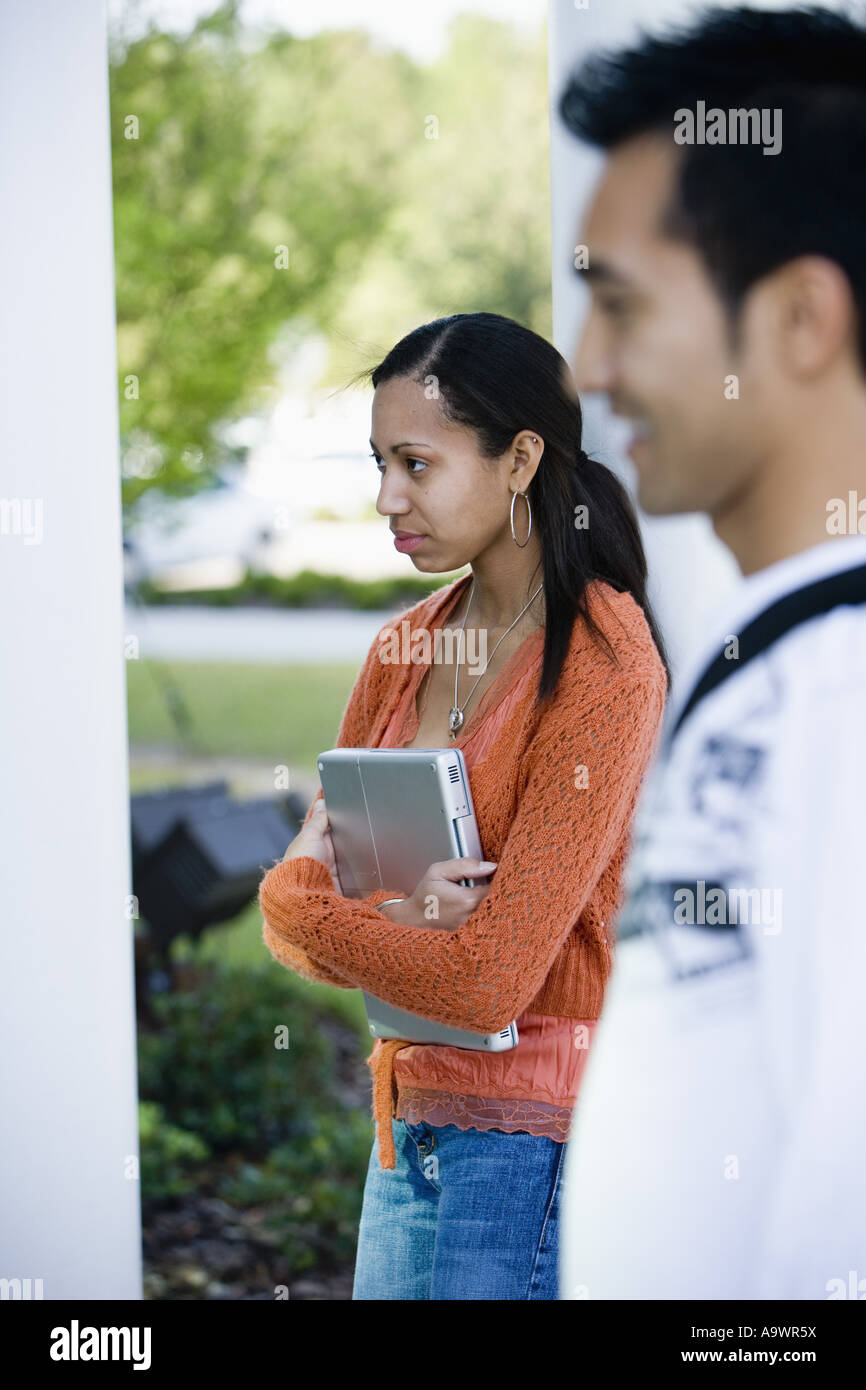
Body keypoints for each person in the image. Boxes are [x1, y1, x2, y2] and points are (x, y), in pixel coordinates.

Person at [258, 311, 669, 1299]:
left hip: (530, 1147)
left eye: (415, 462)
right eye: (377, 463)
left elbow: (489, 980)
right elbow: (310, 930)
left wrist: (306, 903)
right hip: (405, 1125)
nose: (386, 496)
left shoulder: (601, 661)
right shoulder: (401, 648)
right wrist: (389, 920)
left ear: (519, 458)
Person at [555, 5, 866, 1299]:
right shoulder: (794, 659)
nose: (582, 367)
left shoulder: (846, 687)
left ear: (797, 318)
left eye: (618, 305)